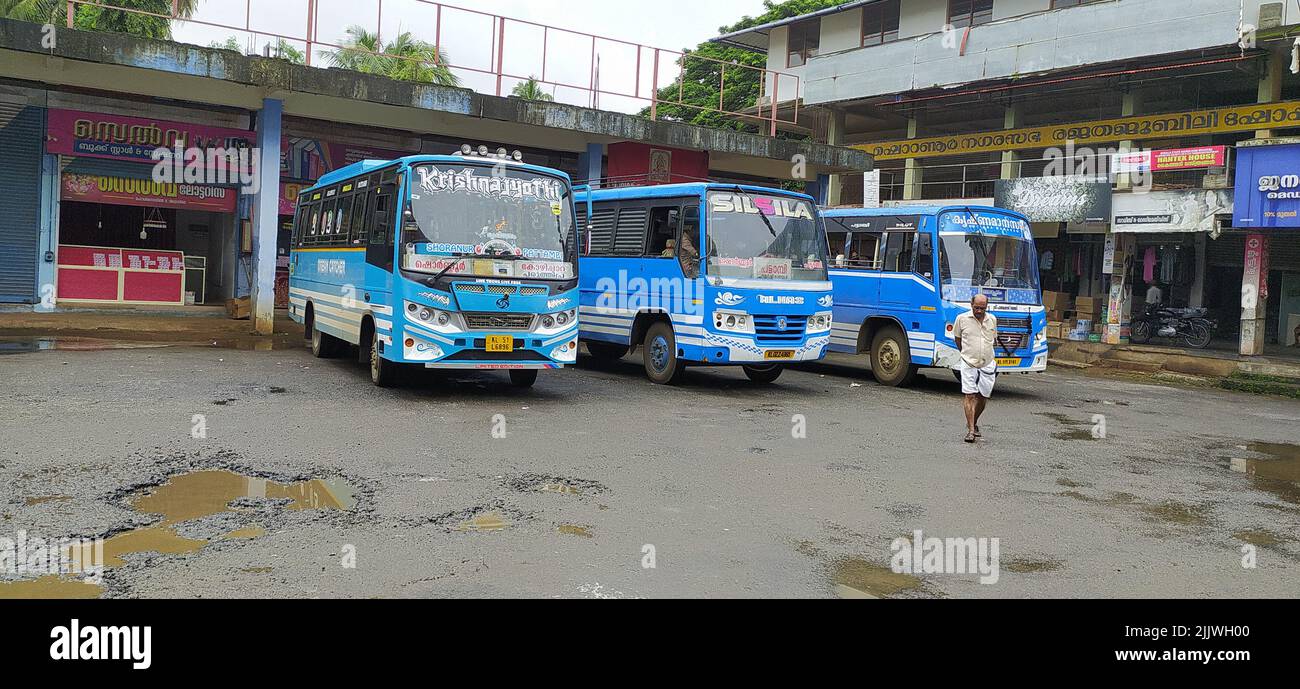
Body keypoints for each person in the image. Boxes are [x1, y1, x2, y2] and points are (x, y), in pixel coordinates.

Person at [953, 293, 998, 443]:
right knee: (969, 395)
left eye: (982, 308)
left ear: (986, 307)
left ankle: (973, 421)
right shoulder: (962, 319)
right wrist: (966, 353)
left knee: (983, 397)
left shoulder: (992, 320)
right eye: (976, 307)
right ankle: (971, 430)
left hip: (987, 362)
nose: (979, 311)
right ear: (971, 305)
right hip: (968, 362)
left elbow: (993, 340)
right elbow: (957, 339)